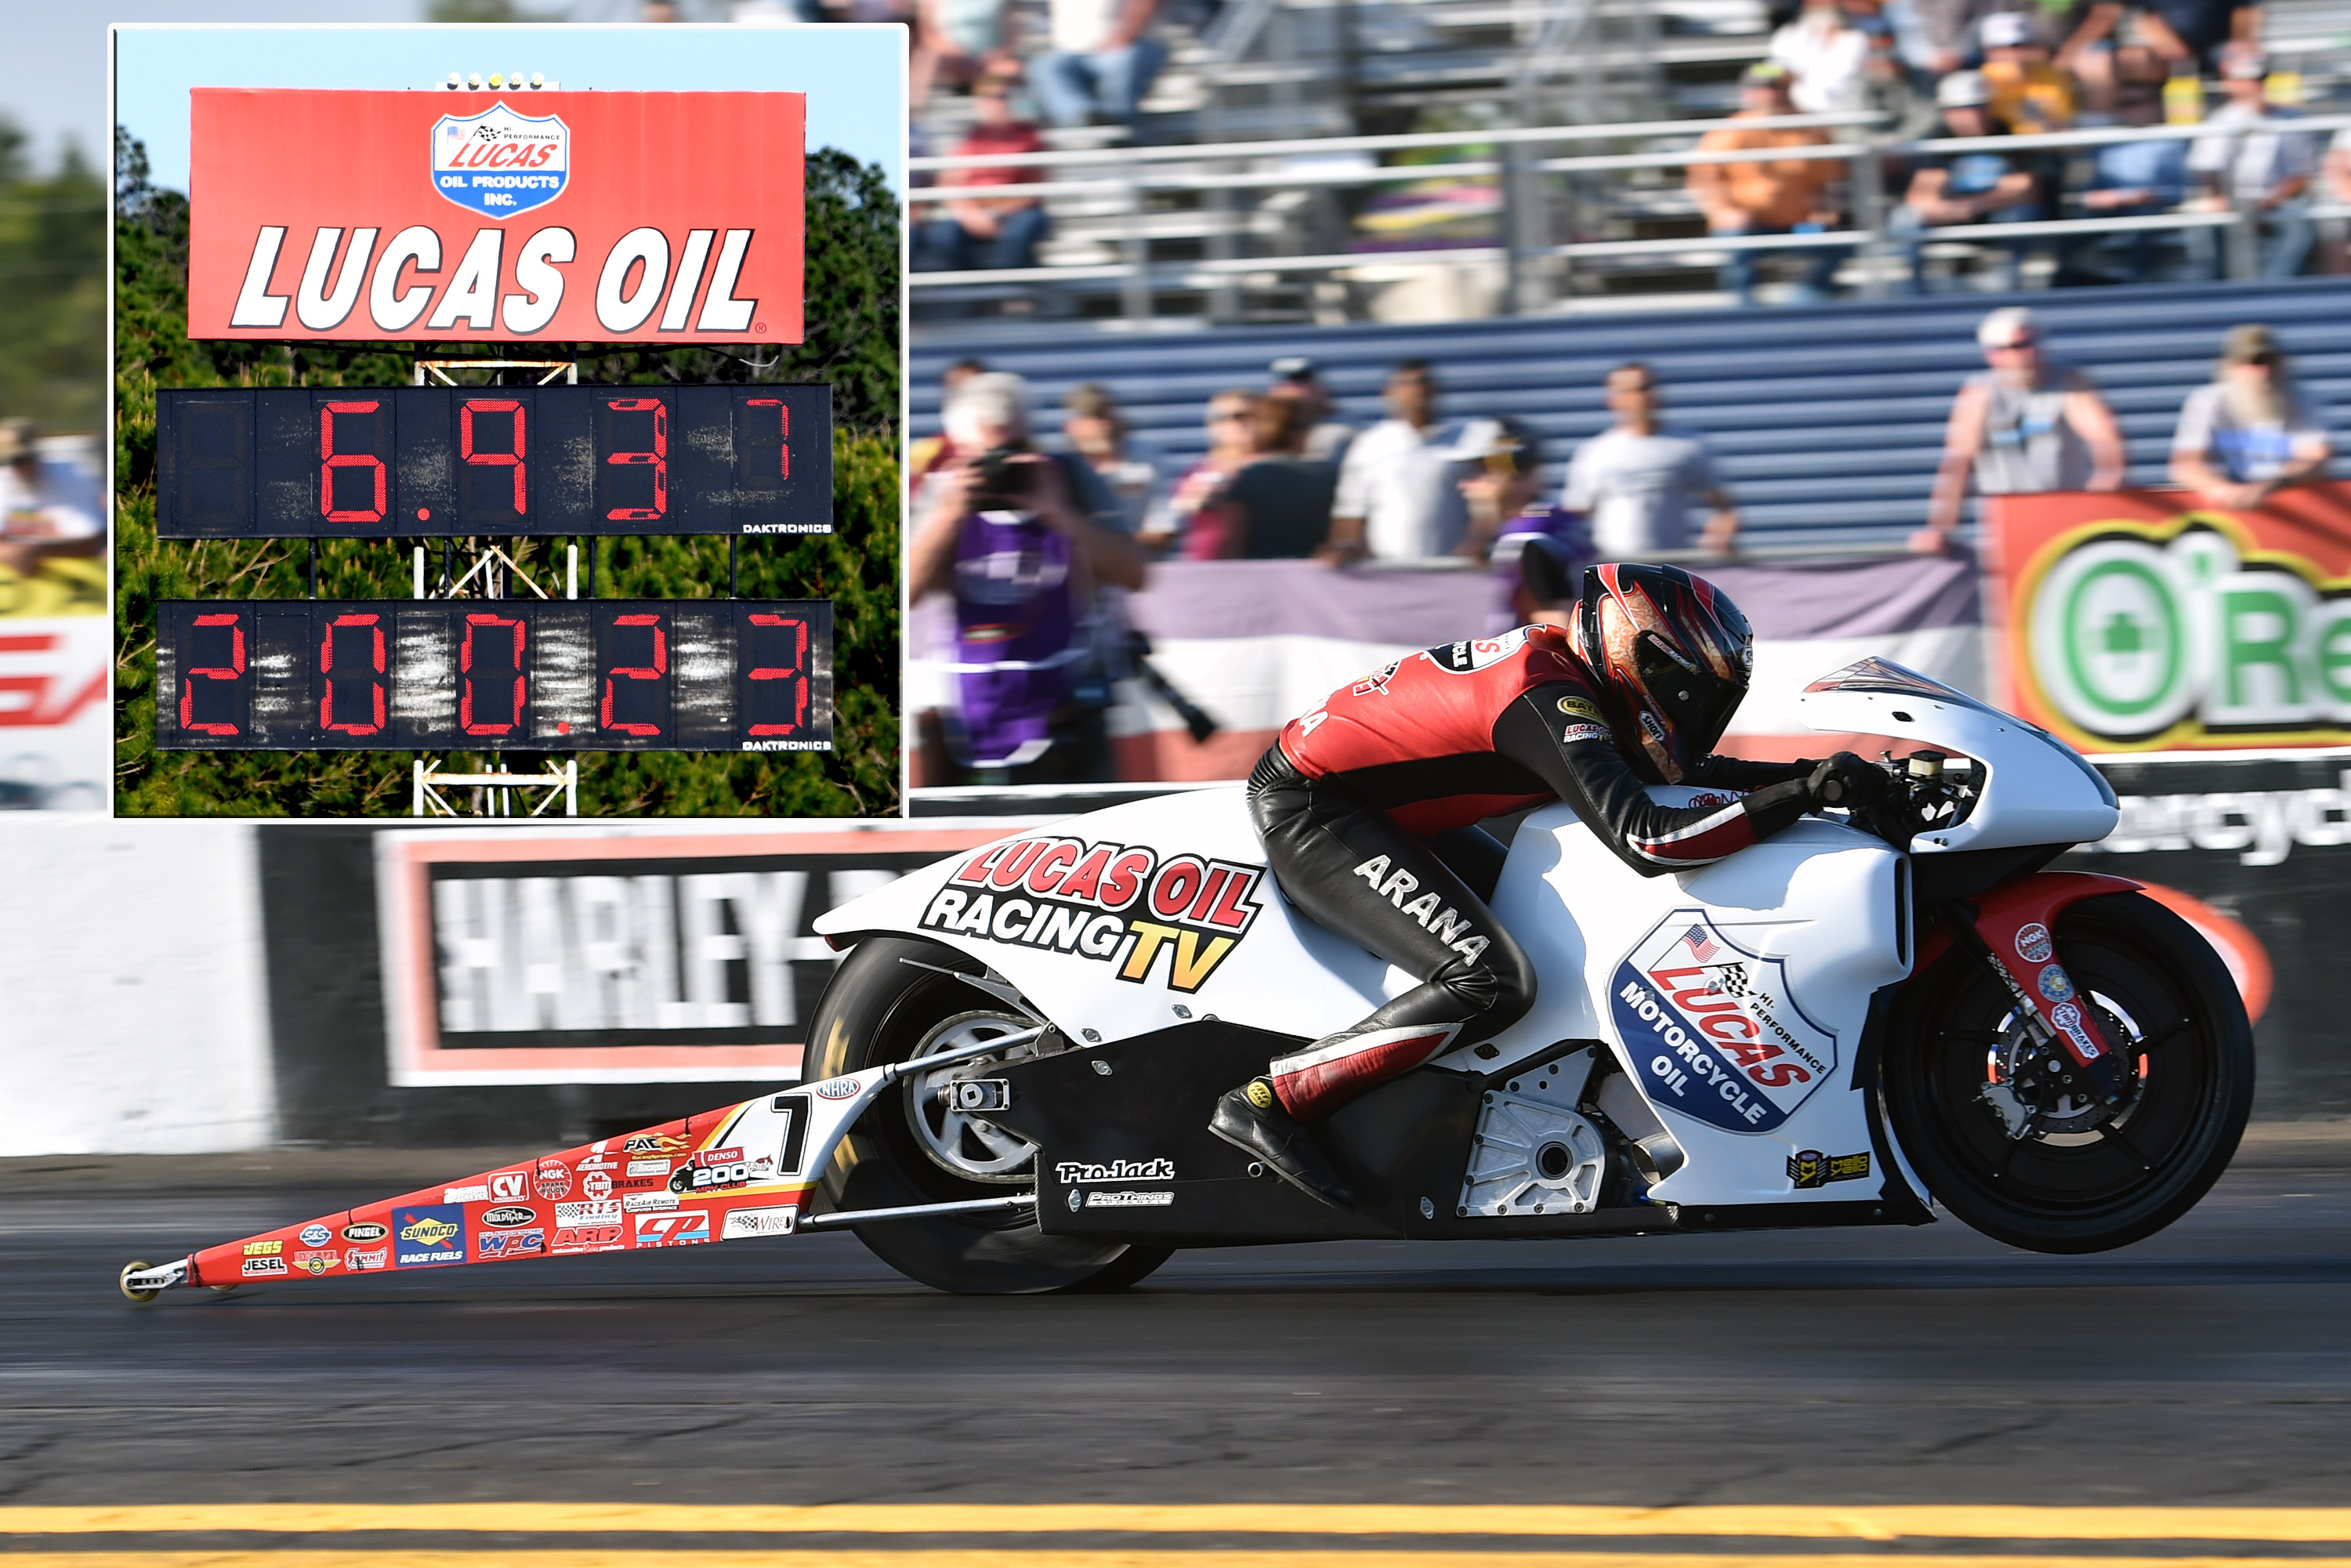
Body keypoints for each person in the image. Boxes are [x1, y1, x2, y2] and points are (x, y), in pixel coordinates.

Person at [1207, 565, 1889, 1205]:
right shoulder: (1549, 698)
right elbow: (1649, 839)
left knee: (1555, 947)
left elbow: (1693, 777)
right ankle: (1270, 1100)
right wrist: (1802, 794)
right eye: (1690, 694)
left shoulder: (1575, 683)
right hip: (1314, 807)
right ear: (1638, 654)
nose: (1696, 715)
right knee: (1490, 980)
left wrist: (1819, 777)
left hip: (1382, 811)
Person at [907, 374, 1148, 780]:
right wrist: (949, 515)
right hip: (973, 705)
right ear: (960, 449)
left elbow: (1134, 574)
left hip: (1069, 701)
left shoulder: (1068, 477)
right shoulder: (947, 490)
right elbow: (908, 592)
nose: (1003, 467)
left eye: (1015, 448)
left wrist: (1060, 513)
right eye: (987, 456)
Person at [1917, 308, 2127, 554]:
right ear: (1990, 355)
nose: (2019, 355)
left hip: (2064, 520)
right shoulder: (1979, 394)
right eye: (2006, 349)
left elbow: (2104, 436)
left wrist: (2109, 475)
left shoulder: (2069, 384)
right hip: (2007, 525)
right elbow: (1958, 463)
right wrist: (1940, 527)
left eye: (2025, 345)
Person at [1686, 63, 1846, 305]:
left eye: (1779, 88)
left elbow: (1828, 180)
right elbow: (1702, 181)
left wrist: (1824, 210)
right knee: (1734, 237)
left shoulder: (1812, 131)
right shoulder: (1730, 132)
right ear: (1749, 93)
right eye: (1765, 88)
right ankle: (1745, 308)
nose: (1773, 95)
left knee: (1836, 240)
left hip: (1799, 224)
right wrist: (1724, 211)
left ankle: (1805, 300)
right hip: (1750, 225)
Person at [1891, 71, 2054, 291]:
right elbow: (1920, 196)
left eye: (1978, 107)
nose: (1974, 115)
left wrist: (1976, 205)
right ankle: (1911, 291)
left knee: (2019, 215)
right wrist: (1952, 209)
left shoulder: (2008, 134)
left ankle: (2010, 287)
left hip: (1995, 217)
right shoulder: (1938, 140)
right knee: (1905, 218)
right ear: (1947, 112)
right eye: (1963, 109)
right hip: (1952, 218)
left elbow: (2026, 189)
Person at [1563, 363, 1739, 559]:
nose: (1645, 396)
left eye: (1649, 387)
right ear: (1613, 400)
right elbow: (1575, 515)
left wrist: (1720, 535)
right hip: (1615, 568)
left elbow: (1723, 506)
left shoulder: (1687, 446)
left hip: (1673, 566)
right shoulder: (1594, 453)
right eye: (1636, 390)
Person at [2186, 46, 2317, 280]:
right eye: (2245, 79)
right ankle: (2215, 290)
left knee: (2299, 228)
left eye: (2258, 79)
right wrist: (2232, 202)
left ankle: (2272, 287)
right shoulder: (2218, 121)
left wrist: (2268, 202)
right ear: (2230, 83)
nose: (2253, 85)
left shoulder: (2291, 119)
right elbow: (2207, 172)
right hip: (2230, 201)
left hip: (2276, 203)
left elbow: (2301, 174)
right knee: (2204, 228)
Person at [2169, 323, 2332, 509]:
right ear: (2230, 367)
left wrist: (2268, 487)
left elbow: (2316, 459)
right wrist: (2219, 489)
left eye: (2268, 361)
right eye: (2252, 363)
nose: (2264, 372)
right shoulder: (2208, 400)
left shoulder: (2301, 398)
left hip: (2288, 503)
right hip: (2223, 508)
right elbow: (2186, 465)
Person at [1453, 418, 1594, 632]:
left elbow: (1557, 628)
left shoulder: (1527, 537)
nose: (1464, 486)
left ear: (1509, 475)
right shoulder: (1555, 522)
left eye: (1476, 473)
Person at [1322, 360, 1471, 563]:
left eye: (1423, 382)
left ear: (1435, 390)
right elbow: (1351, 508)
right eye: (1406, 383)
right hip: (1388, 570)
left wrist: (1475, 545)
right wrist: (1345, 546)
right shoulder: (1370, 445)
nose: (1416, 390)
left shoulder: (1467, 440)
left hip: (1450, 568)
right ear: (1389, 392)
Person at [911, 65, 1052, 274]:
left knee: (1019, 232)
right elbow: (949, 183)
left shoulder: (1029, 137)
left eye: (1001, 97)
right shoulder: (970, 139)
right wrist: (972, 214)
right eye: (988, 98)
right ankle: (973, 282)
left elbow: (1037, 185)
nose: (996, 104)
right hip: (978, 210)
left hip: (1018, 211)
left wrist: (1001, 211)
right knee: (943, 236)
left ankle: (1007, 285)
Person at [1219, 396, 1339, 559]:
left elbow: (1233, 540)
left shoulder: (1247, 477)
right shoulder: (1331, 476)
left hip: (1261, 570)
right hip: (1318, 571)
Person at [1027, 0, 1166, 131]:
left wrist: (1123, 35)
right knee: (1044, 67)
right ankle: (1085, 119)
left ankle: (1118, 127)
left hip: (1129, 45)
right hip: (1069, 51)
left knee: (1120, 63)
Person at [1059, 382, 1167, 541]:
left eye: (1108, 416)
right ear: (1071, 426)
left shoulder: (1146, 460)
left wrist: (1113, 547)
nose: (1106, 426)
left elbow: (1163, 529)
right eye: (1096, 417)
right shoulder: (1059, 471)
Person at [1166, 387, 1259, 559]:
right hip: (1208, 565)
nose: (1247, 424)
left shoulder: (1272, 468)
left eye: (1255, 416)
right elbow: (1178, 508)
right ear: (1214, 425)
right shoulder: (1199, 473)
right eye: (1238, 417)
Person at [0, 422, 102, 578]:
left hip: (72, 570)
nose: (17, 469)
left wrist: (35, 552)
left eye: (22, 460)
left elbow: (91, 542)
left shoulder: (71, 475)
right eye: (9, 462)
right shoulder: (3, 481)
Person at [1979, 11, 2079, 132]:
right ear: (1987, 53)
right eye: (2002, 47)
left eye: (2022, 46)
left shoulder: (2055, 74)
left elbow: (2063, 120)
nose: (2014, 54)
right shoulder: (1981, 80)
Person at [1770, 0, 1874, 113]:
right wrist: (1786, 75)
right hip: (1795, 108)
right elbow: (1770, 70)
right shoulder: (1787, 34)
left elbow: (1847, 73)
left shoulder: (1855, 38)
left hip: (1847, 108)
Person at [909, 359, 991, 488]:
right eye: (951, 389)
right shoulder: (925, 450)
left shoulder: (1009, 447)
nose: (957, 398)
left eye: (967, 391)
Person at [1269, 356, 1356, 465]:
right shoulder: (1264, 430)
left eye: (1302, 382)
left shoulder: (1341, 431)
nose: (1293, 390)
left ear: (1321, 390)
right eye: (1286, 383)